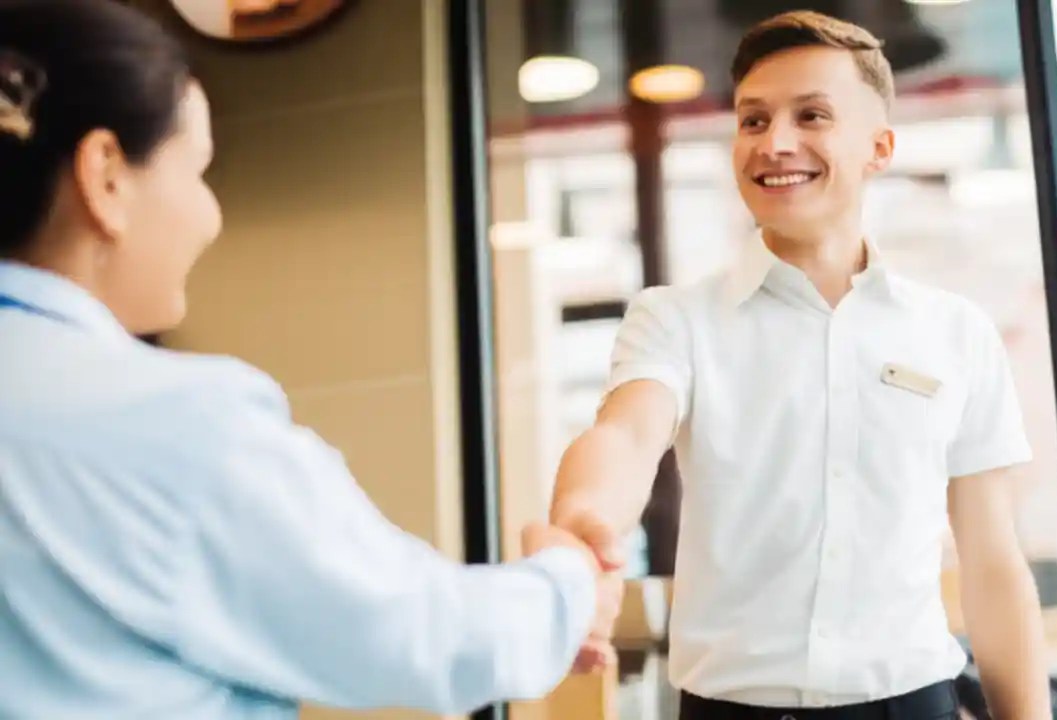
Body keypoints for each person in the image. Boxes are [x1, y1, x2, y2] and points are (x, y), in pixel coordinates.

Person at [0, 1, 619, 718]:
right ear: (105, 175)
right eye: (199, 170)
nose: (210, 216)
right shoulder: (173, 420)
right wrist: (569, 584)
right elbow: (419, 635)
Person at [545, 10, 1052, 720]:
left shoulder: (957, 332)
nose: (774, 142)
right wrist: (585, 528)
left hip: (912, 705)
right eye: (753, 120)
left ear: (879, 147)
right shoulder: (675, 318)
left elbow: (993, 562)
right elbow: (624, 438)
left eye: (811, 116)